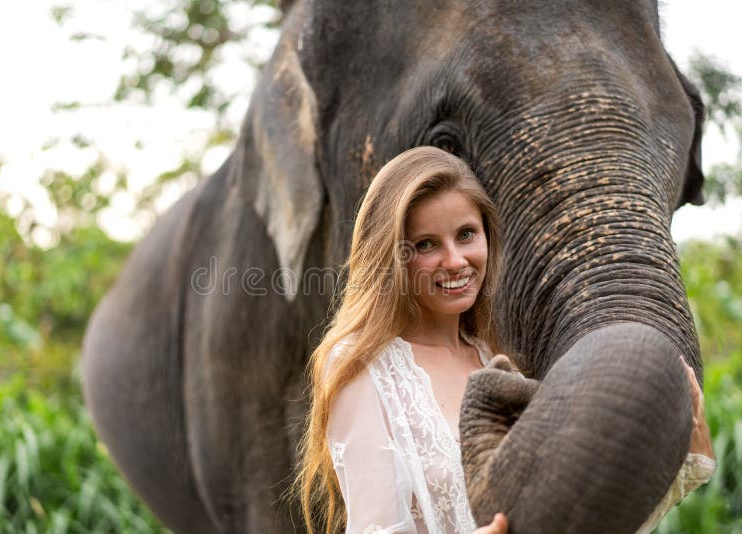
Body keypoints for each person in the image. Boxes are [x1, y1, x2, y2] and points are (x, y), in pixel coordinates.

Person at [294, 146, 715, 534]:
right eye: (426, 244)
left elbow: (568, 521)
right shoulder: (360, 365)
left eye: (465, 235)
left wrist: (687, 470)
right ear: (393, 258)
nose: (456, 260)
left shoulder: (496, 361)